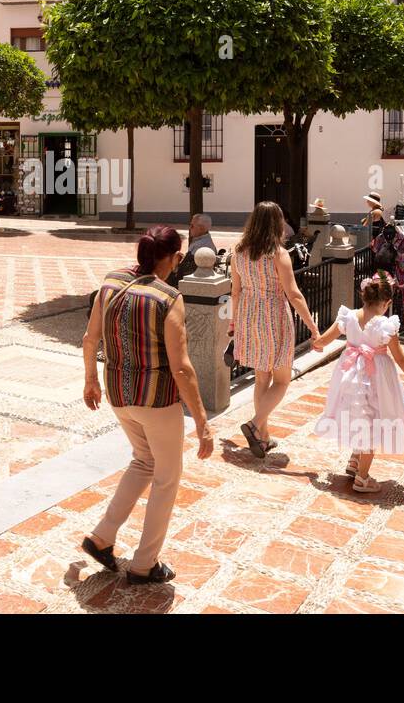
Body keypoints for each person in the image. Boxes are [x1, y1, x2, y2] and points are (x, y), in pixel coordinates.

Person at [80, 225, 215, 585]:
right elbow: (182, 367)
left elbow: (90, 338)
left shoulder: (111, 282)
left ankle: (101, 537)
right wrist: (202, 421)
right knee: (166, 479)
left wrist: (90, 380)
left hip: (118, 394)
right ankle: (144, 563)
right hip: (156, 400)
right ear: (173, 258)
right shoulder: (168, 298)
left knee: (144, 461)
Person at [311, 272, 404, 493]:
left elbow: (324, 340)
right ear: (387, 303)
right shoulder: (385, 325)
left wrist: (316, 342)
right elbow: (400, 358)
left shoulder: (348, 317)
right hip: (377, 379)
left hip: (350, 376)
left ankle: (355, 460)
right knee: (374, 421)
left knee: (357, 414)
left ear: (363, 296)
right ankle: (362, 478)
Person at [230, 201, 321, 459]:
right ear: (276, 223)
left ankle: (263, 437)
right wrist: (313, 327)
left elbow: (235, 291)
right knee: (281, 380)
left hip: (249, 315)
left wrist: (234, 323)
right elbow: (294, 294)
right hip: (274, 316)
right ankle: (254, 425)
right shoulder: (278, 254)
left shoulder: (238, 252)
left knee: (262, 379)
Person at [167, 213, 217, 286]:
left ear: (201, 228)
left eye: (192, 226)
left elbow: (185, 273)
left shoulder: (201, 246)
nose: (190, 228)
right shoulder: (201, 240)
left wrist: (175, 266)